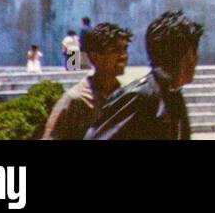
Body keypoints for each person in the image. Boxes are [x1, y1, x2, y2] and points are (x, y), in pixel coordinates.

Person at [84, 11, 203, 140]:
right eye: (194, 51)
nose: (196, 59)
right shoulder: (141, 98)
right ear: (182, 56)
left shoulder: (173, 96)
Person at [42, 22, 133, 140]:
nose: (124, 56)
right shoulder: (76, 100)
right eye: (116, 50)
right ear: (95, 57)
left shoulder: (127, 96)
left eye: (125, 49)